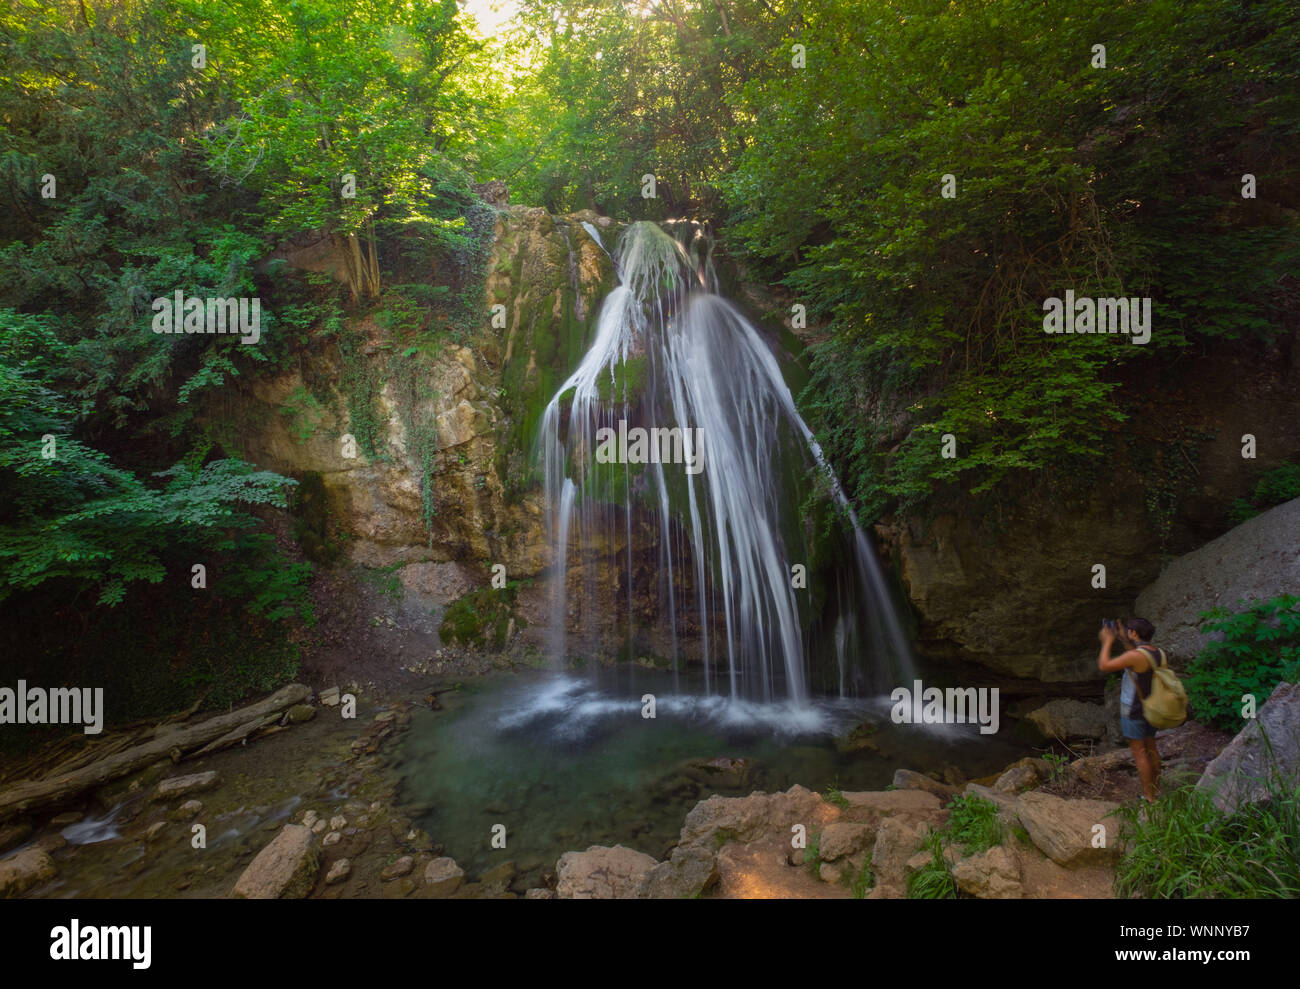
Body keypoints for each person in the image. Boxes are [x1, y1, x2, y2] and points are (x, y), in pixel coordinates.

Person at [1097, 617, 1162, 803]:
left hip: (1134, 709)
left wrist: (1107, 641)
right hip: (1151, 707)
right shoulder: (1154, 652)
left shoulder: (1135, 656)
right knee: (1151, 749)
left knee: (1139, 753)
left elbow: (1104, 665)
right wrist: (1123, 639)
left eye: (1128, 629)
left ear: (1134, 633)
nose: (1125, 630)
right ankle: (1156, 791)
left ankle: (1149, 799)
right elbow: (1135, 656)